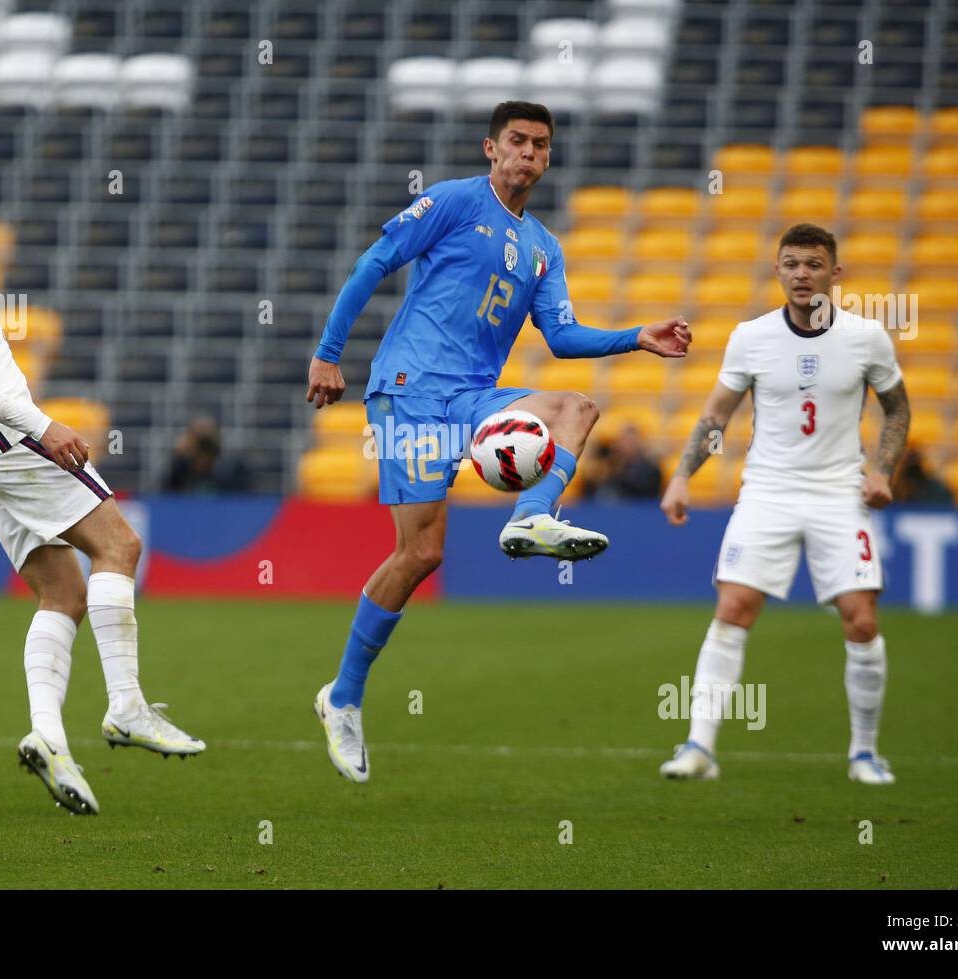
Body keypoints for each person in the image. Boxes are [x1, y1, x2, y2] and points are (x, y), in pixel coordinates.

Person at [304, 101, 692, 783]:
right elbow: (375, 261)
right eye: (517, 141)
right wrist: (327, 353)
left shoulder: (544, 247)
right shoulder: (454, 201)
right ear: (491, 147)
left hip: (475, 398)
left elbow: (563, 338)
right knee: (420, 553)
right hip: (411, 392)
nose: (528, 155)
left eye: (541, 146)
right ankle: (342, 697)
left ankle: (530, 517)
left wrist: (637, 337)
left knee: (578, 405)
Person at [0, 133, 203, 815]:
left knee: (63, 593)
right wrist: (40, 425)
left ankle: (49, 735)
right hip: (1, 440)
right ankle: (126, 706)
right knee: (120, 545)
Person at [658, 223, 910, 785]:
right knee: (733, 610)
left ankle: (864, 753)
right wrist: (680, 477)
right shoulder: (751, 337)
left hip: (839, 495)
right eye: (792, 263)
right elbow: (716, 415)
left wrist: (881, 470)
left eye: (814, 264)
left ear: (834, 273)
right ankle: (698, 746)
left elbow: (897, 409)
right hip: (766, 492)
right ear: (778, 270)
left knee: (862, 622)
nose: (802, 274)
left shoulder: (867, 337)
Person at [165, 416, 250, 493]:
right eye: (199, 440)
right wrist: (179, 456)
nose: (204, 445)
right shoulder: (180, 468)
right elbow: (165, 496)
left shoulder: (231, 470)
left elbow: (244, 500)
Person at [583, 423, 663, 499]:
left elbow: (646, 491)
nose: (625, 446)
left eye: (630, 442)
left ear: (638, 444)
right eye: (623, 441)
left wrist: (620, 472)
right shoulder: (609, 466)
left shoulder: (650, 469)